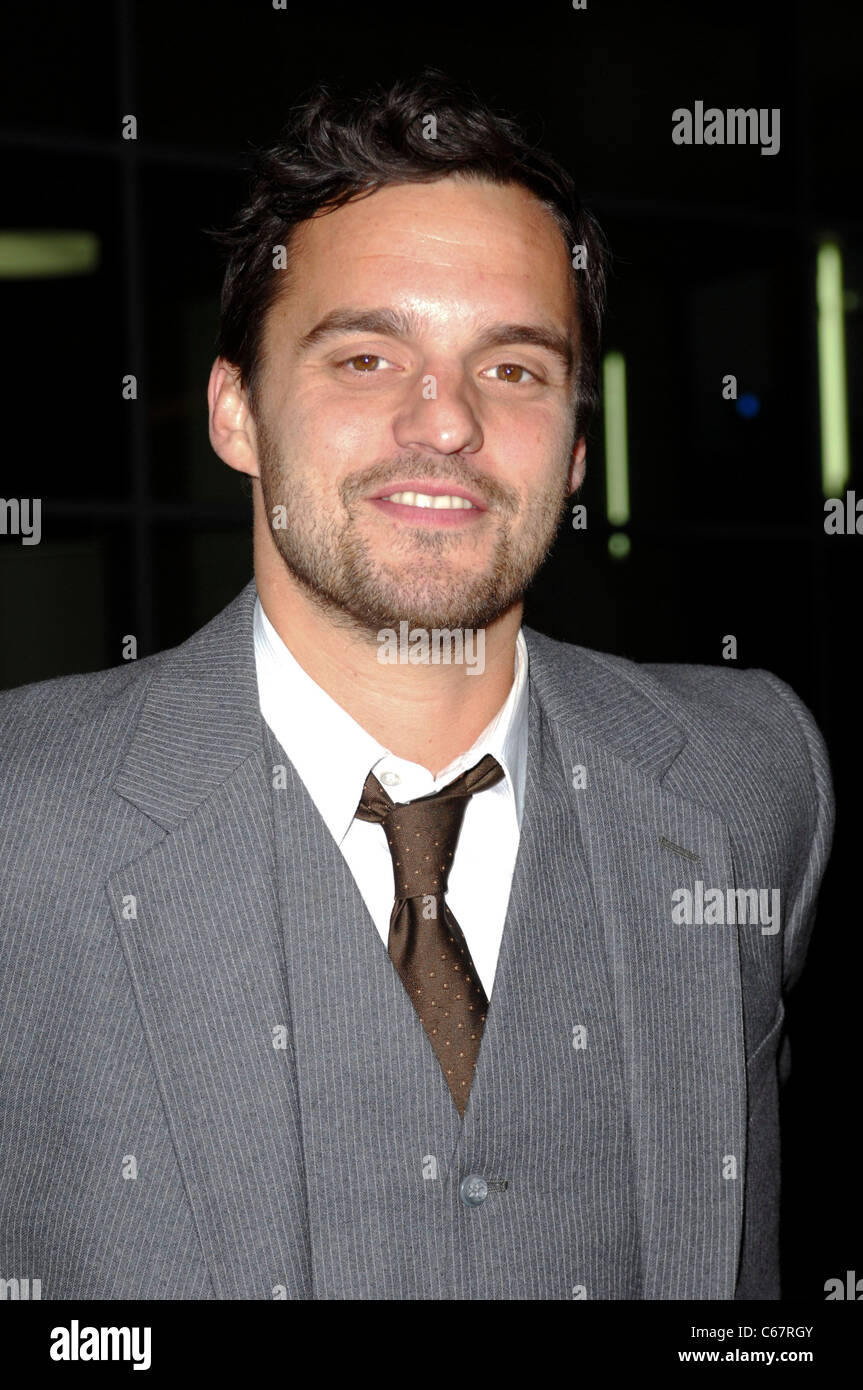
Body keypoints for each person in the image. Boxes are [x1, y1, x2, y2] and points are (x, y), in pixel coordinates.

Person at [0, 69, 834, 1301]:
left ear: (575, 452)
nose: (442, 421)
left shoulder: (753, 772)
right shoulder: (25, 814)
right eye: (365, 357)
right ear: (236, 412)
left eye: (511, 370)